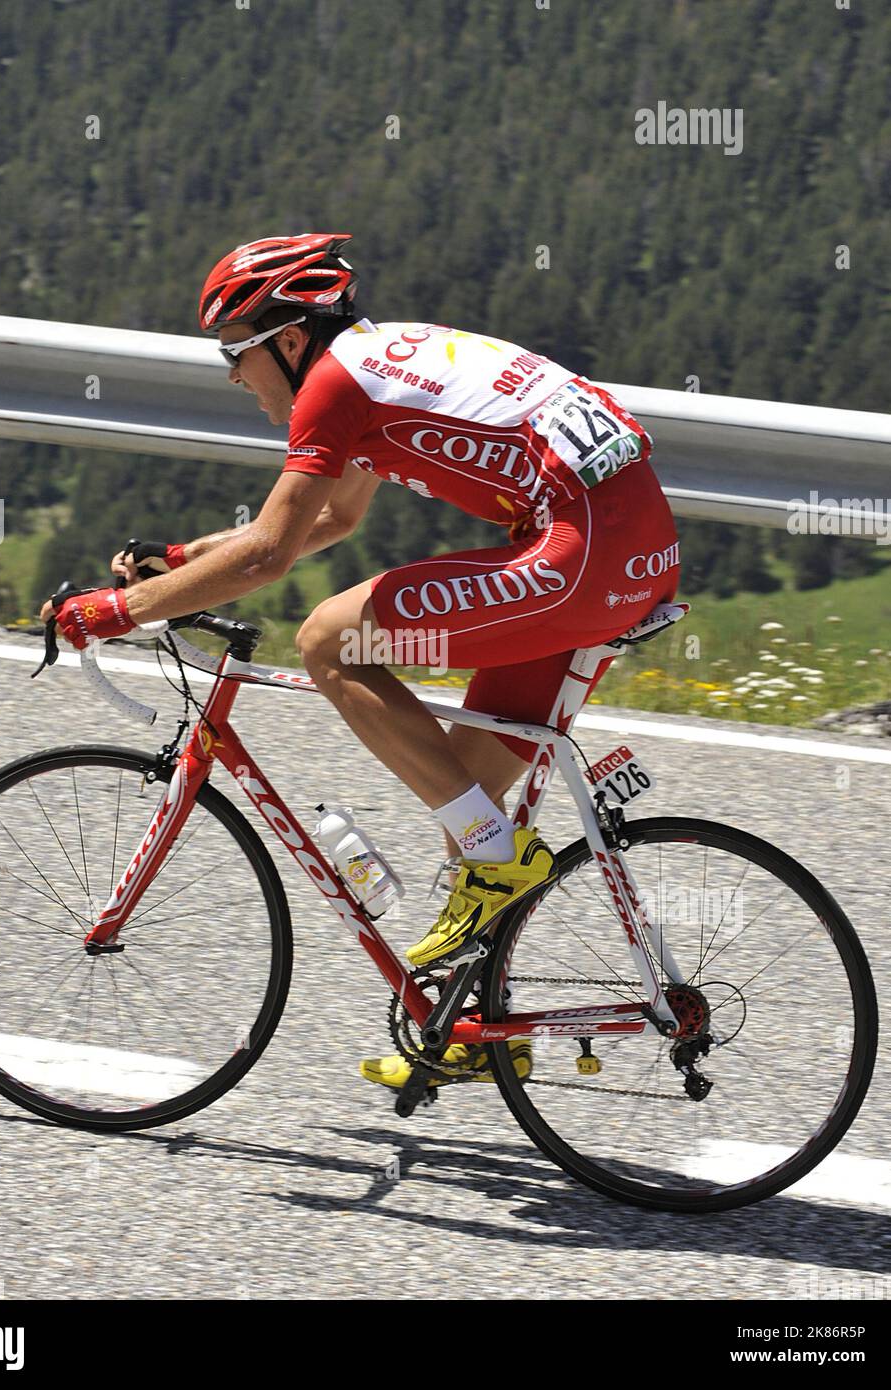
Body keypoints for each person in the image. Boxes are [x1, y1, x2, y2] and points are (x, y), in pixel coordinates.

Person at [40, 232, 680, 1092]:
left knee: (328, 640)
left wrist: (109, 612)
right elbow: (329, 522)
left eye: (237, 353)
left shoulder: (336, 387)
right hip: (615, 547)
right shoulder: (373, 361)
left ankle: (497, 860)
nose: (233, 375)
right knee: (470, 791)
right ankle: (483, 1025)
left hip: (583, 552)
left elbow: (270, 556)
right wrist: (185, 559)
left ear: (289, 341)